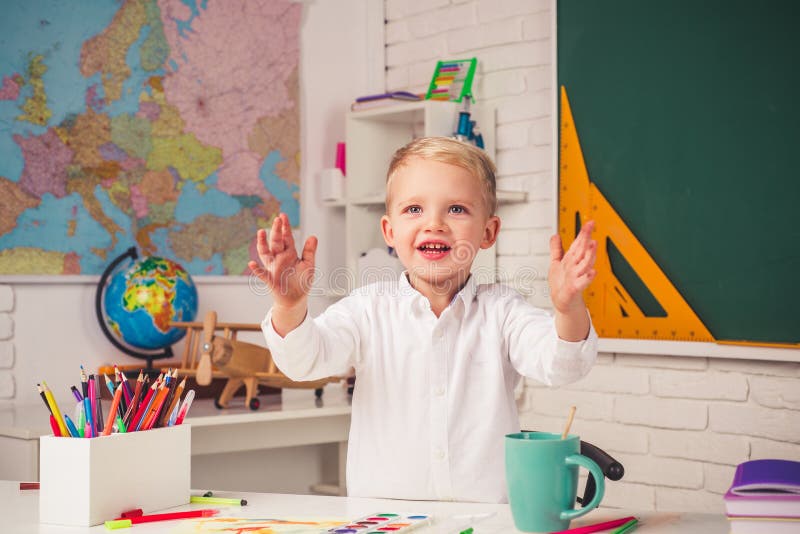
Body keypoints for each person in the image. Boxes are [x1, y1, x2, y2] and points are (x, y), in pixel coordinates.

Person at [248, 136, 599, 503]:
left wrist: (568, 309)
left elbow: (563, 365)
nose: (434, 224)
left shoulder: (504, 311)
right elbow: (304, 362)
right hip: (385, 519)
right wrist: (289, 306)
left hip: (484, 519)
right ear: (389, 231)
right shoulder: (366, 309)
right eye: (414, 209)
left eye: (457, 209)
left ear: (488, 232)